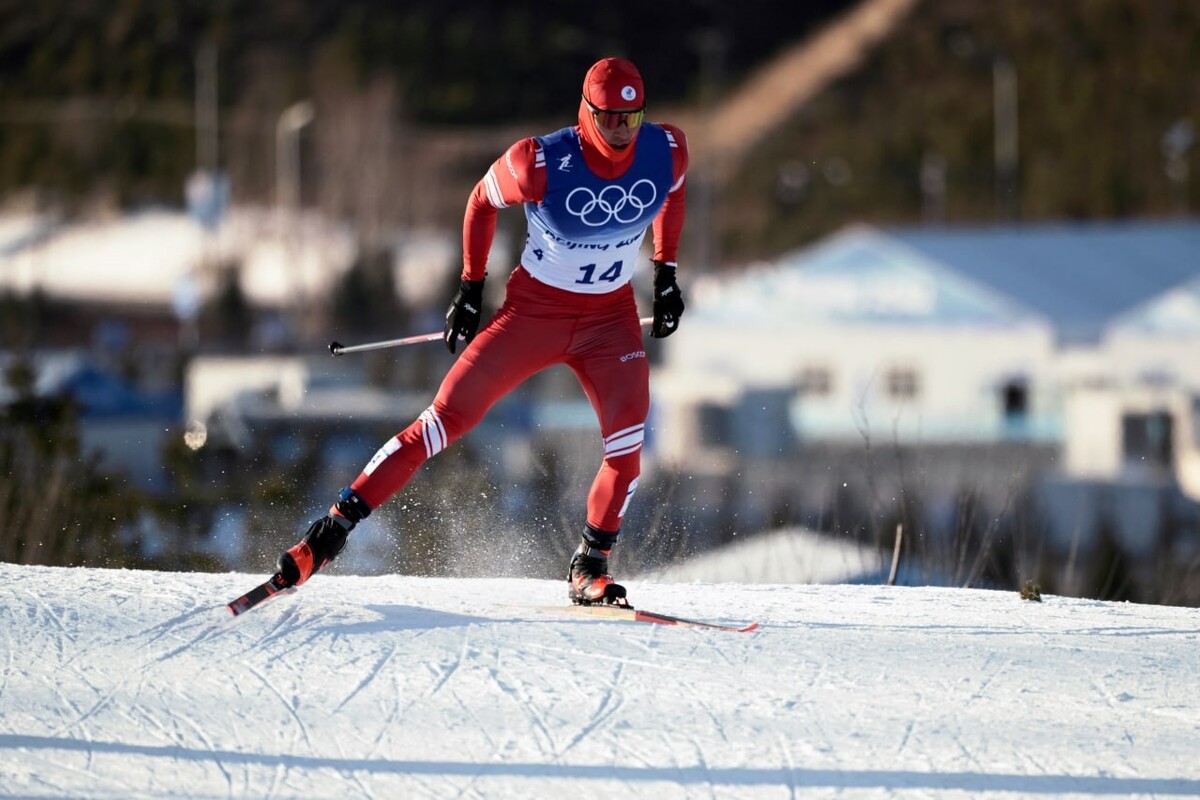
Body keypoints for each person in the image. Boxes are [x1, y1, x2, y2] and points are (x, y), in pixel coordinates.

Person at [275, 56, 688, 606]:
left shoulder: (667, 150)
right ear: (586, 112)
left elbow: (673, 195)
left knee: (628, 445)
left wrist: (665, 275)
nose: (621, 131)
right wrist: (470, 288)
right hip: (531, 318)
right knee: (442, 422)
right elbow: (480, 201)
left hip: (609, 323)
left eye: (631, 119)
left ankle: (589, 566)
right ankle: (328, 534)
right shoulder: (537, 161)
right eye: (611, 118)